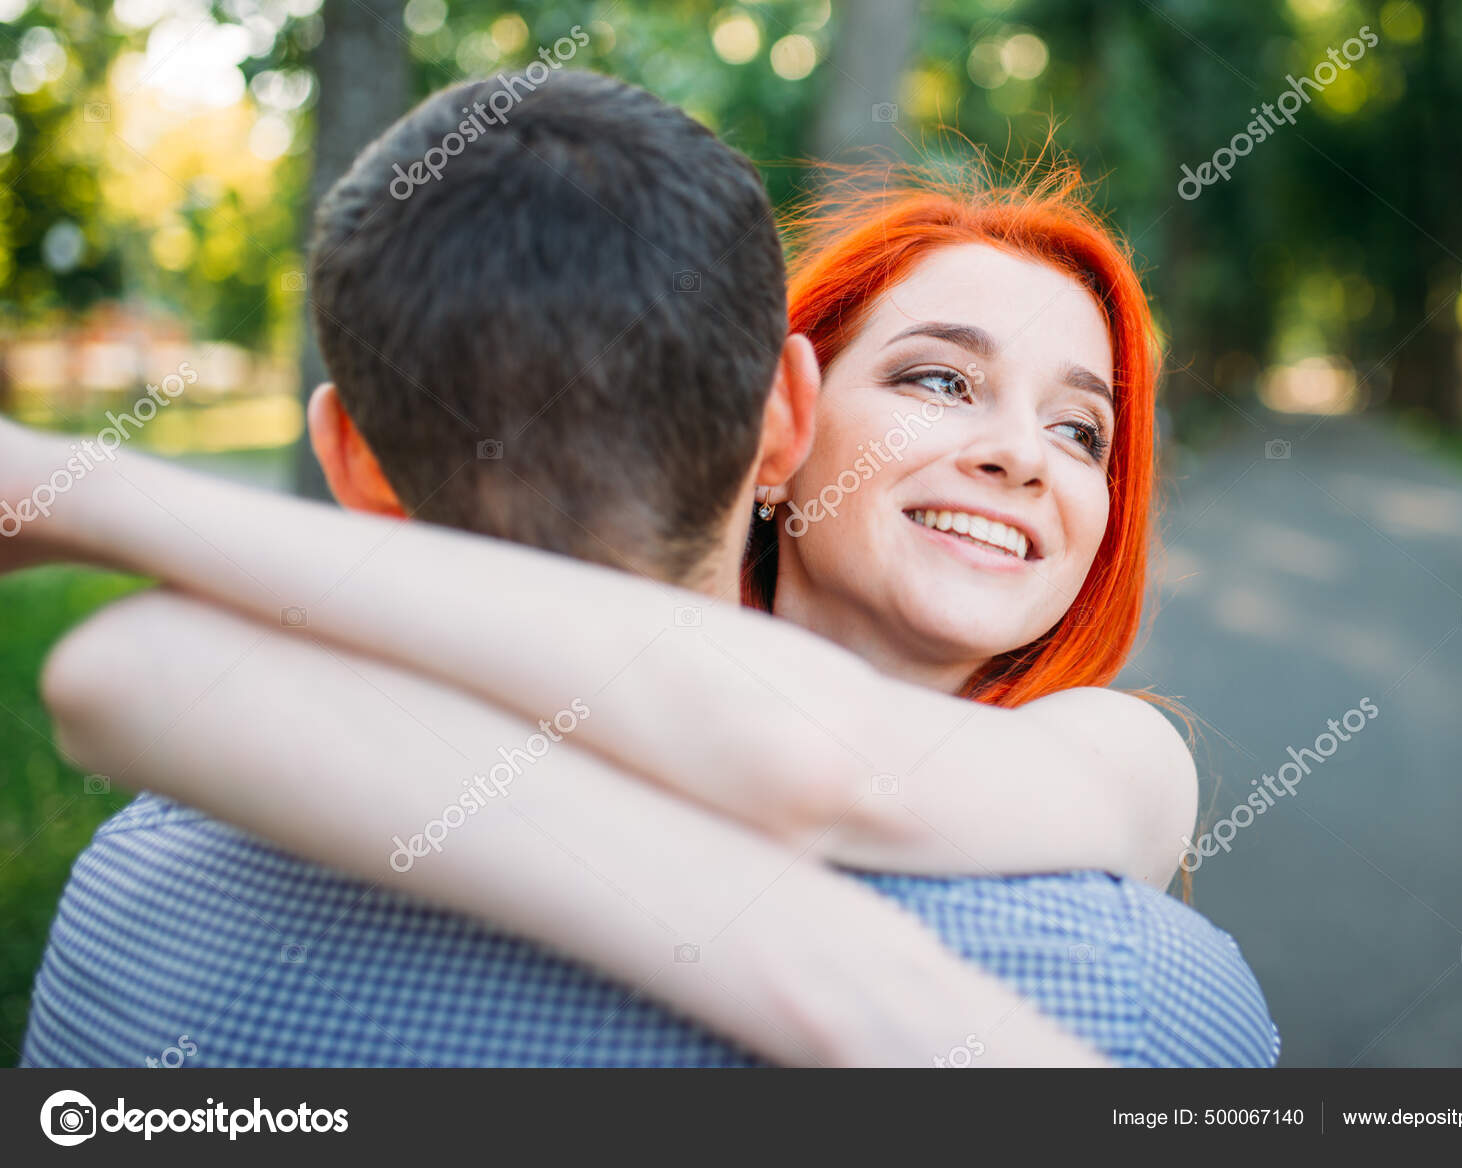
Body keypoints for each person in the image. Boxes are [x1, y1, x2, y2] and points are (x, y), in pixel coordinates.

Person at [12, 69, 1277, 1067]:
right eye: (939, 379)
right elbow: (123, 675)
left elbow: (812, 761)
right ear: (784, 415)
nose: (1019, 455)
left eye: (1082, 429)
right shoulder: (1144, 999)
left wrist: (80, 492)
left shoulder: (1124, 758)